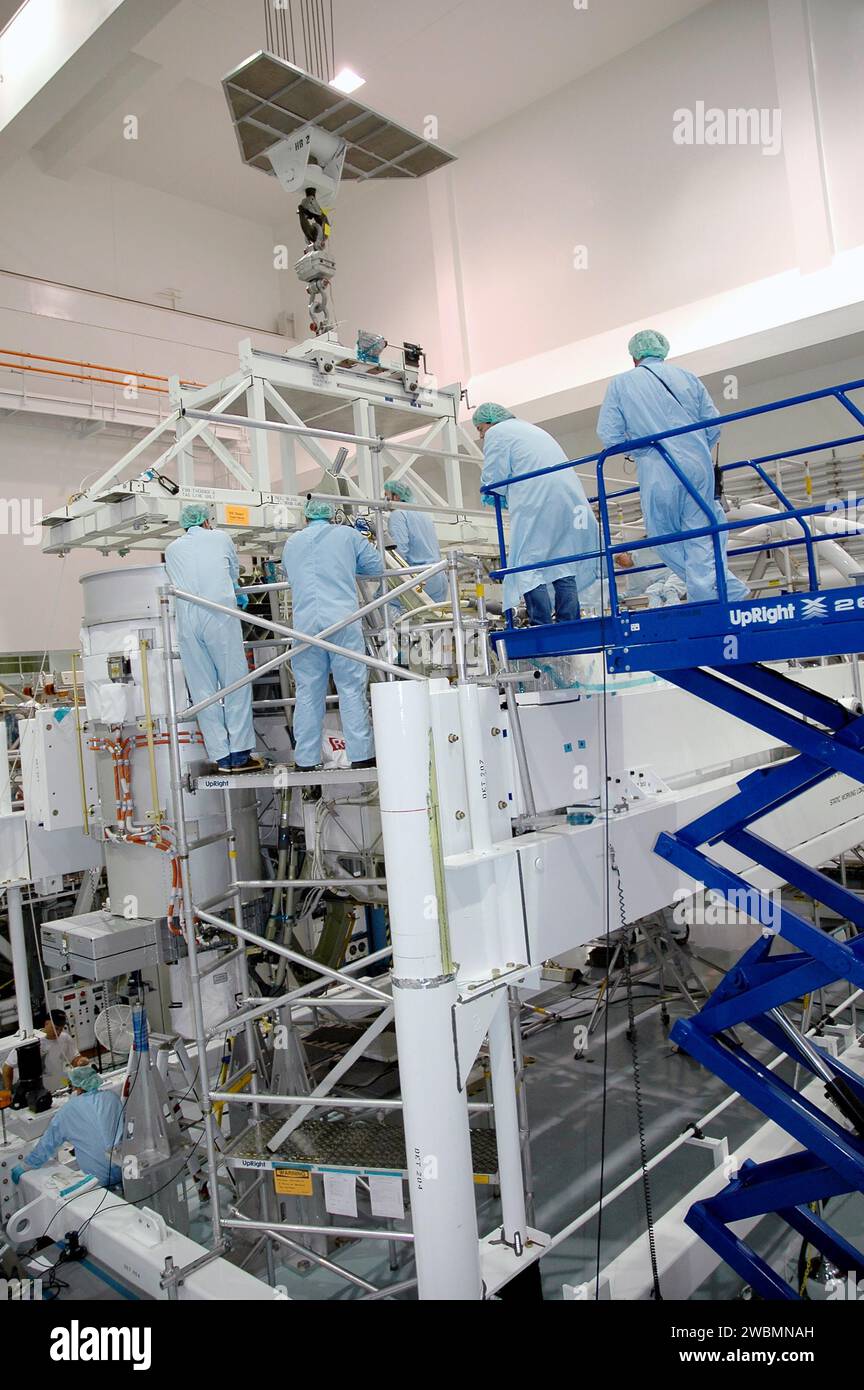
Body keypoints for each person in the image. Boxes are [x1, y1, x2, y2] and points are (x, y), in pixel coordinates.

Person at [597, 330, 749, 604]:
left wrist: (641, 450)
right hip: (697, 465)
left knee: (662, 536)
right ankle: (718, 594)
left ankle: (719, 593)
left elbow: (610, 436)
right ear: (663, 351)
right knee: (701, 535)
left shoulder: (621, 384)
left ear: (634, 357)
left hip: (658, 468)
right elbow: (713, 424)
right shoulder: (687, 377)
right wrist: (694, 446)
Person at [474, 403, 600, 625]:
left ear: (490, 421)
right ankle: (568, 620)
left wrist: (489, 492)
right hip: (568, 498)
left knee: (526, 562)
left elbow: (494, 475)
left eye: (480, 429)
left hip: (537, 498)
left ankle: (540, 621)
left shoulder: (497, 431)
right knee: (561, 561)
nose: (482, 435)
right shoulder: (529, 429)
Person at [281, 499, 382, 770]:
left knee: (308, 691)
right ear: (332, 515)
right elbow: (376, 566)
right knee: (350, 687)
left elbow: (287, 574)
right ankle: (360, 755)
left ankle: (305, 759)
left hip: (305, 626)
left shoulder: (293, 542)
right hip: (341, 621)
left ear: (306, 517)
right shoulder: (347, 535)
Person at [164, 504, 263, 773]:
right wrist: (237, 592)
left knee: (202, 688)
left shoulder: (171, 549)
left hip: (187, 619)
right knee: (234, 682)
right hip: (218, 614)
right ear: (208, 521)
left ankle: (221, 756)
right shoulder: (220, 537)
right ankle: (240, 753)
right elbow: (231, 572)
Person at [10, 1065, 123, 1190]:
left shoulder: (67, 1111)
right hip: (123, 1168)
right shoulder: (112, 1098)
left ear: (76, 1087)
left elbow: (47, 1144)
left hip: (97, 1178)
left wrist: (25, 1166)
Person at [383, 479, 448, 606]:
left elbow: (399, 551)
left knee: (383, 601)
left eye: (387, 496)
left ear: (396, 496)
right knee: (433, 621)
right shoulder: (424, 515)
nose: (385, 501)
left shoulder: (398, 514)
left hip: (421, 578)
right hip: (438, 577)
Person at [2, 1010, 86, 1094]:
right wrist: (8, 1093)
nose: (58, 1032)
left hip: (54, 1088)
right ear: (46, 1023)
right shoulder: (31, 1040)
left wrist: (81, 1061)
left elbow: (74, 1059)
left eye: (61, 1029)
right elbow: (7, 1068)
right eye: (56, 1028)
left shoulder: (65, 1039)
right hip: (29, 1090)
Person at [615, 549, 686, 607]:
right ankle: (658, 616)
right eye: (616, 562)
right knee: (651, 592)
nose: (619, 562)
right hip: (661, 581)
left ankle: (673, 611)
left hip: (674, 572)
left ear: (626, 552)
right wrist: (623, 595)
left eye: (619, 558)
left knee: (669, 589)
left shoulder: (642, 550)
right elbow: (635, 590)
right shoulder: (632, 573)